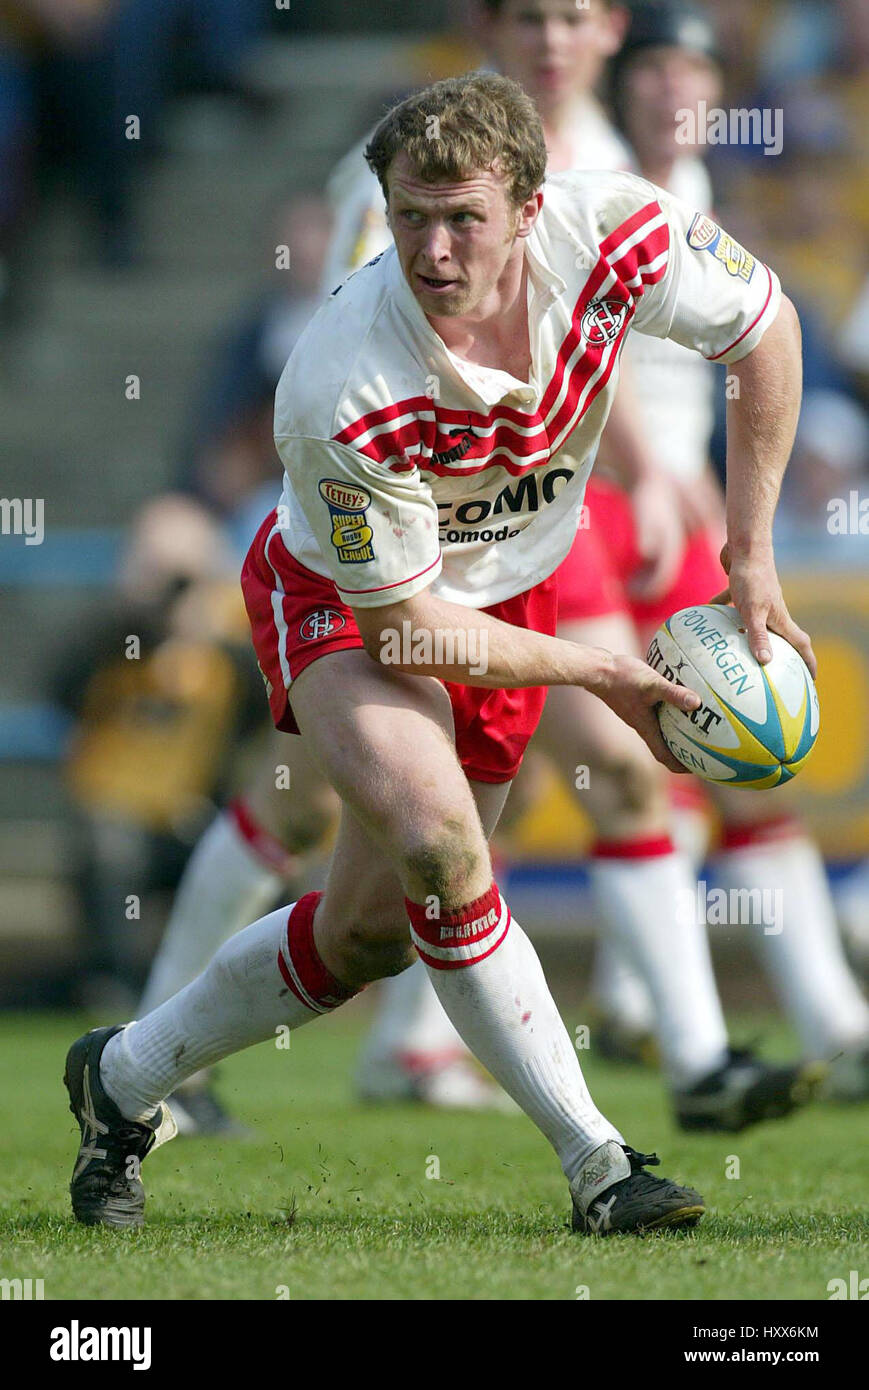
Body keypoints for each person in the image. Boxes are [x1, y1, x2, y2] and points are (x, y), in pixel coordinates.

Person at [65, 70, 812, 1234]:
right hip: (345, 601)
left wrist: (750, 551)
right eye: (410, 215)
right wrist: (606, 672)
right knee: (439, 844)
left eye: (462, 216)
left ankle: (120, 1078)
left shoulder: (620, 233)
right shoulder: (341, 381)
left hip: (510, 592)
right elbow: (408, 632)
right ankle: (600, 1167)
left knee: (364, 930)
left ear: (527, 203)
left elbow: (766, 330)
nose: (433, 246)